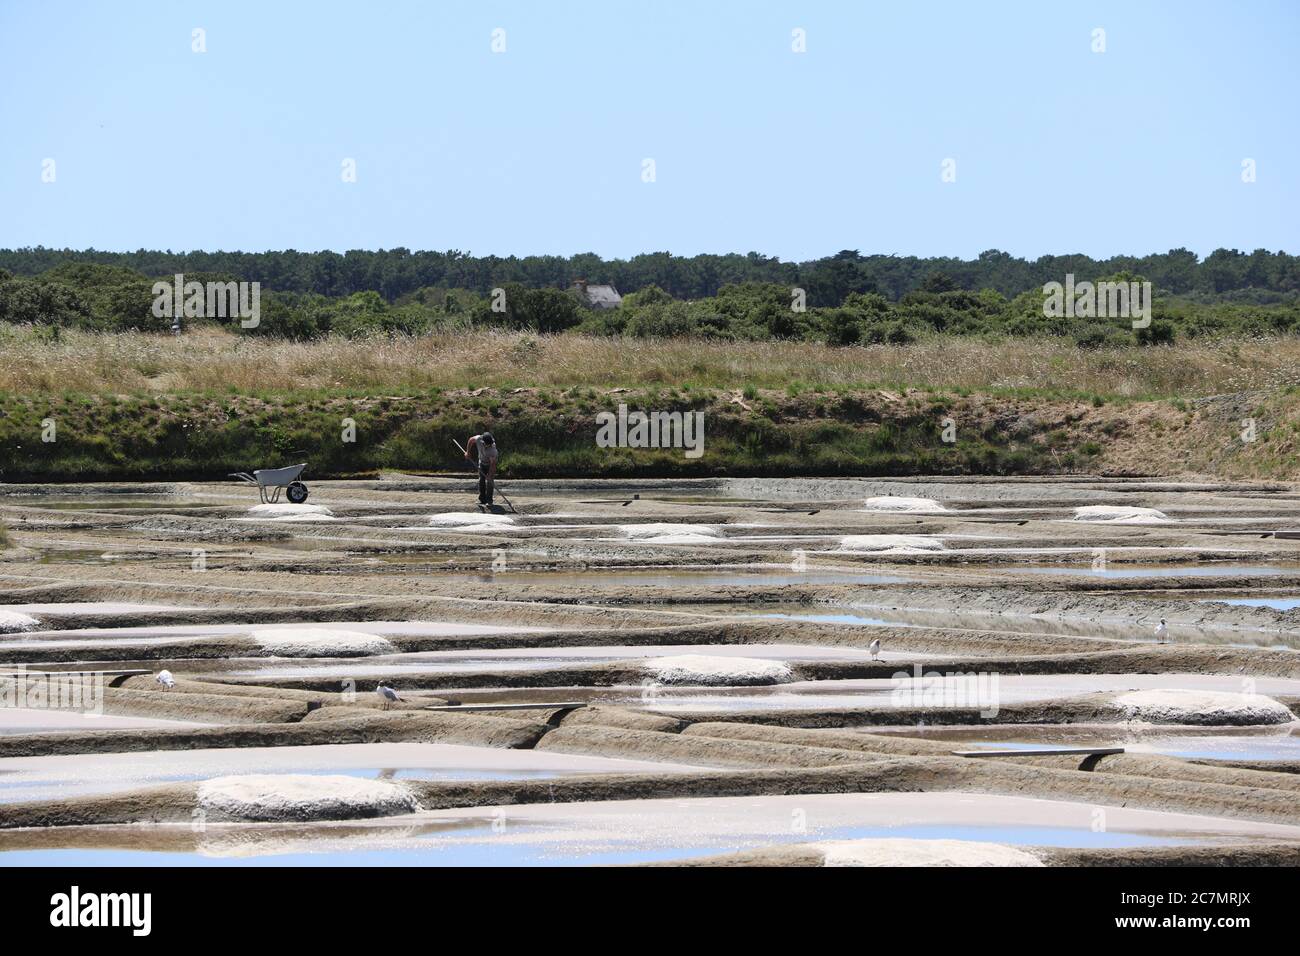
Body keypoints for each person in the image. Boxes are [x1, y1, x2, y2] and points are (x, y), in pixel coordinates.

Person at [465, 431, 499, 508]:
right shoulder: (478, 439)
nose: (488, 446)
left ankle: (489, 501)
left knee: (490, 481)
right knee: (481, 480)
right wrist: (468, 452)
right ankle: (482, 499)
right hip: (481, 461)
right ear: (482, 442)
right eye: (487, 444)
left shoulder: (493, 450)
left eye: (489, 445)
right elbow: (471, 440)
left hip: (490, 464)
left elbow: (493, 464)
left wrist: (490, 474)